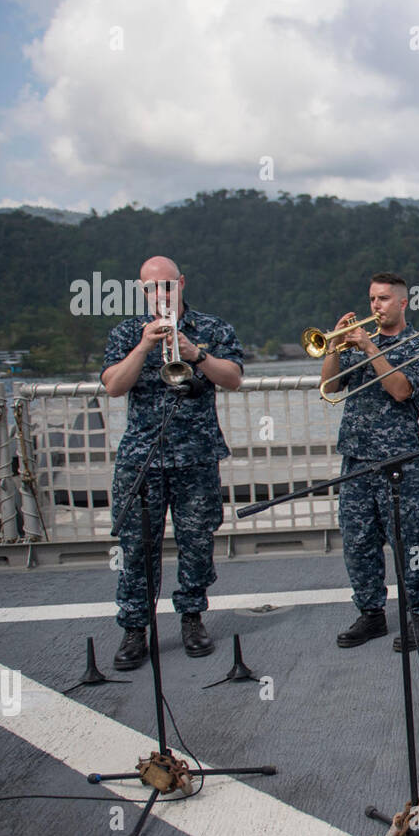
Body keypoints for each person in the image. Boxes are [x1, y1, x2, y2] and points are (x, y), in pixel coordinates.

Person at [102, 256, 244, 671]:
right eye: (152, 288)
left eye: (167, 286)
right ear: (142, 291)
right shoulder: (127, 332)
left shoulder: (213, 329)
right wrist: (145, 345)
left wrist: (196, 354)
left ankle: (192, 618)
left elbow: (234, 378)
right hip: (142, 458)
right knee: (135, 548)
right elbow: (113, 386)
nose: (161, 294)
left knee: (197, 543)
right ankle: (134, 627)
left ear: (181, 284)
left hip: (196, 456)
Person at [321, 273, 419, 652]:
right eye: (372, 298)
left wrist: (370, 346)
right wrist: (335, 347)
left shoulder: (417, 343)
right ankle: (371, 613)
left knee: (411, 542)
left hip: (398, 460)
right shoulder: (354, 344)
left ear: (403, 303)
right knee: (357, 542)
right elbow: (329, 387)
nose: (376, 306)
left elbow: (402, 390)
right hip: (356, 458)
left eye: (384, 299)